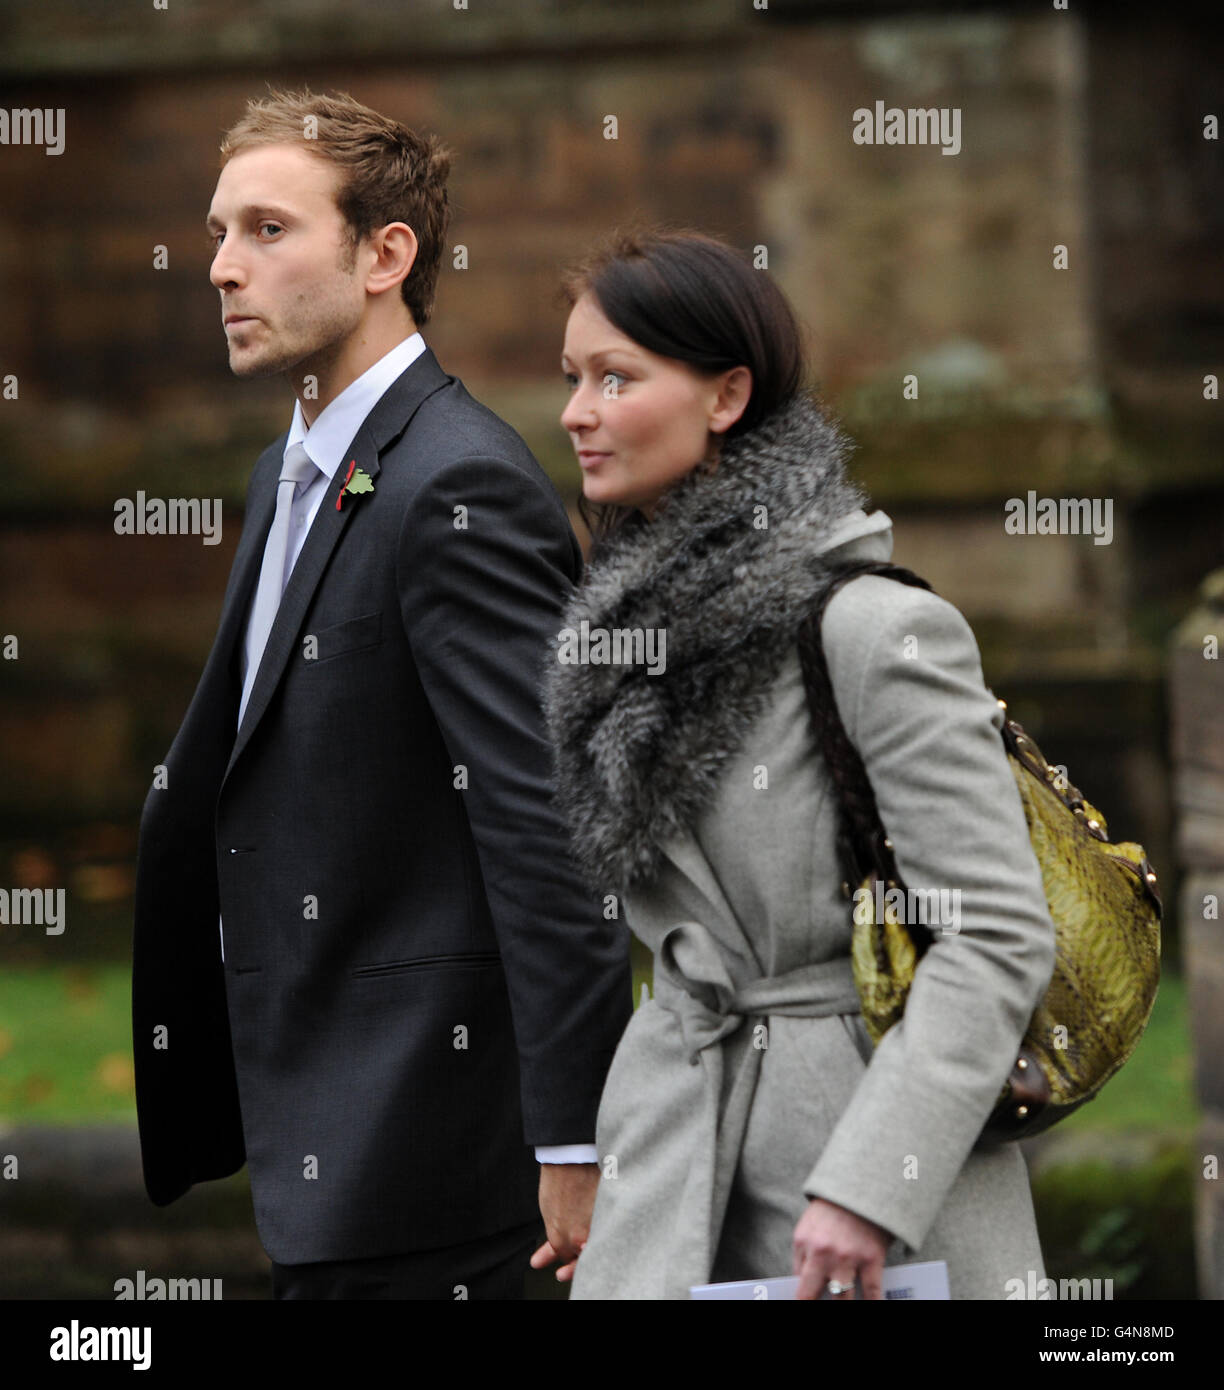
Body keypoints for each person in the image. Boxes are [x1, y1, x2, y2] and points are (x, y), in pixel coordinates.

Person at [131, 88, 630, 1300]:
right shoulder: (287, 471)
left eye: (266, 230)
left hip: (448, 1177)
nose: (220, 269)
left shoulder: (460, 487)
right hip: (324, 1144)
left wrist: (575, 1138)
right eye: (216, 232)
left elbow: (548, 827)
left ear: (383, 255)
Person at [539, 228, 1058, 1300]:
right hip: (677, 1148)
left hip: (867, 1185)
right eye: (572, 378)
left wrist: (872, 1184)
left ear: (726, 397)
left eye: (615, 378)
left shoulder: (874, 630)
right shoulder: (625, 645)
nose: (575, 412)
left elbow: (997, 931)